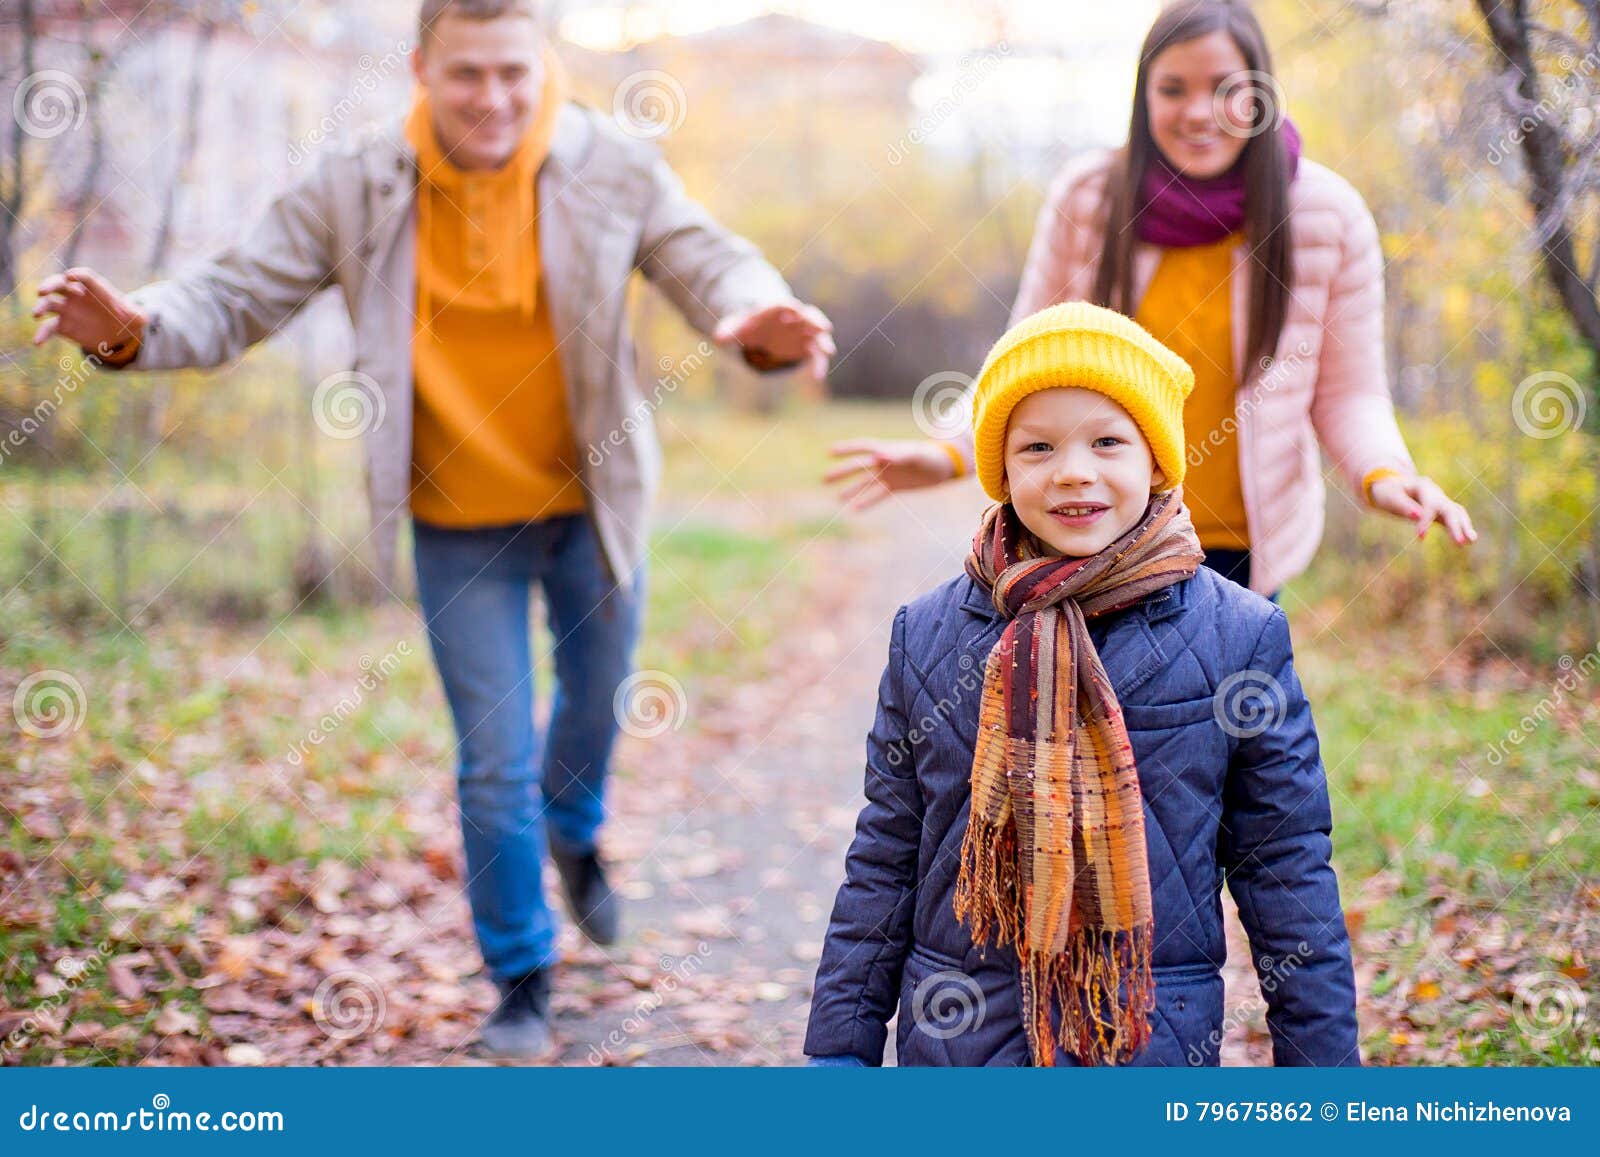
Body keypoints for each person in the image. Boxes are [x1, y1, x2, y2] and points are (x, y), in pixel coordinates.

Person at [31, 0, 833, 1061]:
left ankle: (577, 835)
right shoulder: (357, 184)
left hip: (591, 506)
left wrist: (759, 322)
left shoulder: (612, 168)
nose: (493, 98)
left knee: (595, 702)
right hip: (456, 523)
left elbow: (713, 262)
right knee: (493, 757)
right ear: (421, 68)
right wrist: (135, 328)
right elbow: (234, 291)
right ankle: (521, 976)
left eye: (513, 71)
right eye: (467, 75)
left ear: (543, 65)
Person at [805, 303, 1360, 1066]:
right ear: (1001, 470)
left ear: (1156, 459)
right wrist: (840, 1047)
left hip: (1145, 1044)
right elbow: (886, 855)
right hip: (961, 1046)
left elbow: (1286, 865)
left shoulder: (1239, 635)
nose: (1073, 470)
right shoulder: (928, 635)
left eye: (1107, 440)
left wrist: (1324, 1074)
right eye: (1037, 446)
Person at [824, 0, 1473, 599]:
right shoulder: (1089, 199)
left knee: (1229, 723)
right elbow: (1020, 358)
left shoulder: (1328, 216)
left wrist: (1386, 475)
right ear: (1143, 96)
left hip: (1243, 550)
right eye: (1173, 88)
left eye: (1226, 88)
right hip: (1097, 535)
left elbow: (1350, 392)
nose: (1197, 111)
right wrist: (946, 453)